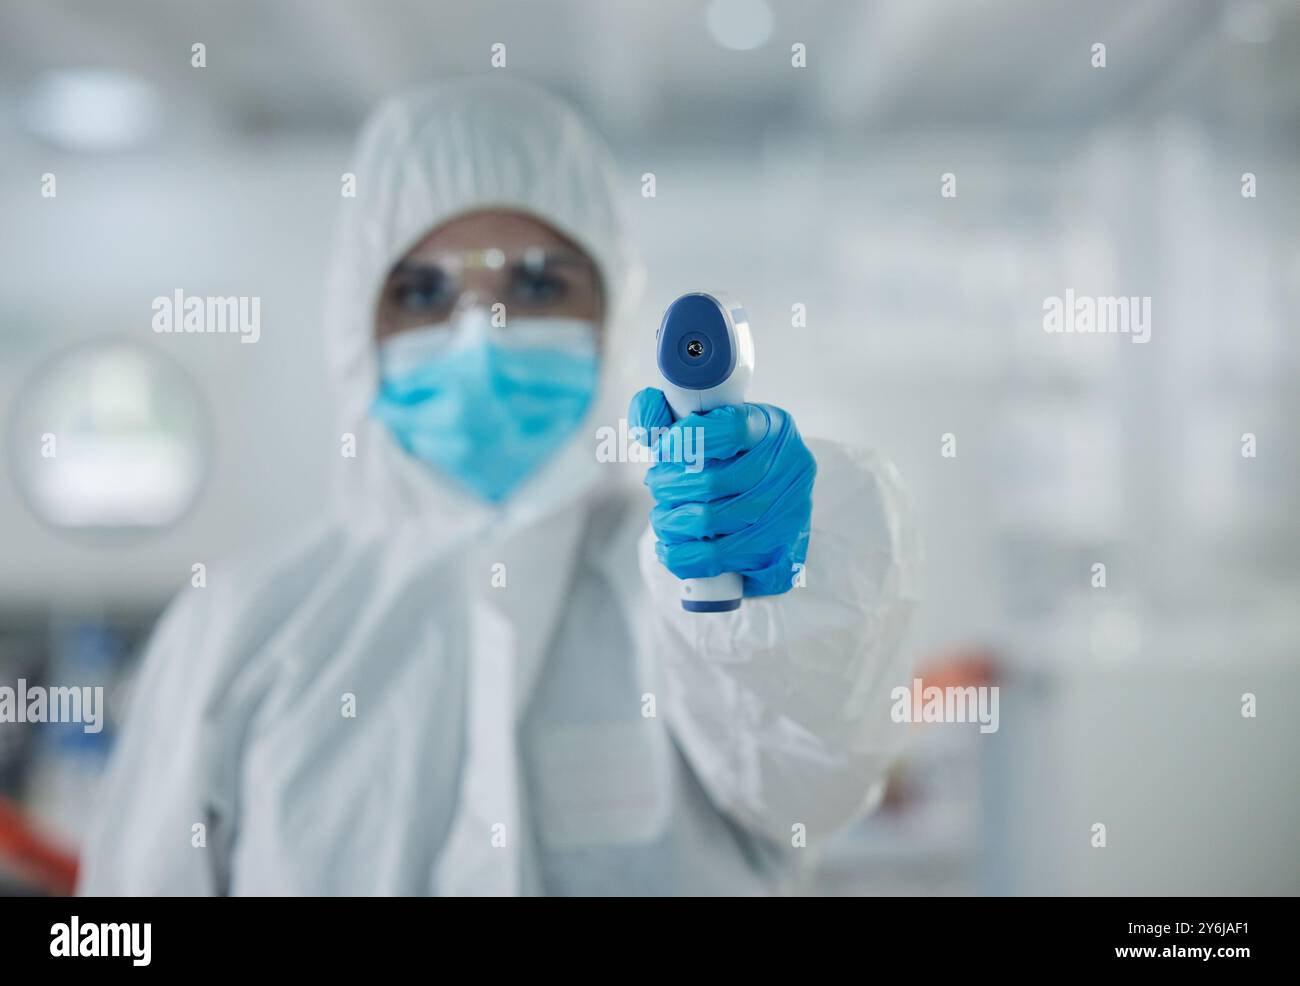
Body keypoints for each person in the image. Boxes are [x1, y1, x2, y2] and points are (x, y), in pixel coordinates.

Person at [79, 77, 919, 896]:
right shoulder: (243, 626)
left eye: (538, 284)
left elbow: (815, 782)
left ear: (615, 314)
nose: (482, 331)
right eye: (422, 291)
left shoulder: (690, 573)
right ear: (354, 322)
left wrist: (781, 599)